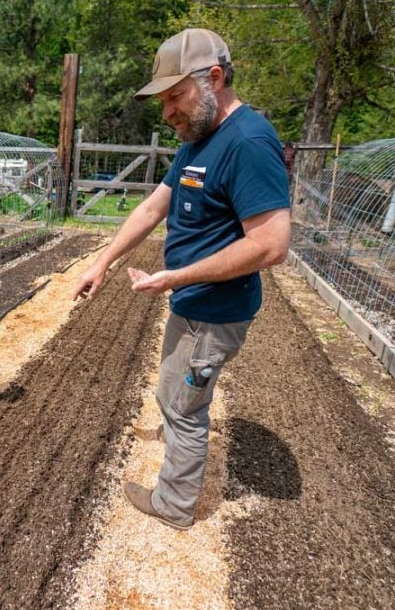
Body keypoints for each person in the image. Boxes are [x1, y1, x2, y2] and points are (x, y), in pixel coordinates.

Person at [72, 28, 292, 530]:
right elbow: (154, 206)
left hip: (213, 313)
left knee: (185, 407)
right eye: (163, 101)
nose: (168, 111)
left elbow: (271, 244)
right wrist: (101, 263)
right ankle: (176, 465)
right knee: (174, 394)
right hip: (192, 305)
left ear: (214, 77)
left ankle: (173, 506)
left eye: (175, 96)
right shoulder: (199, 139)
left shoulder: (248, 141)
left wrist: (176, 277)